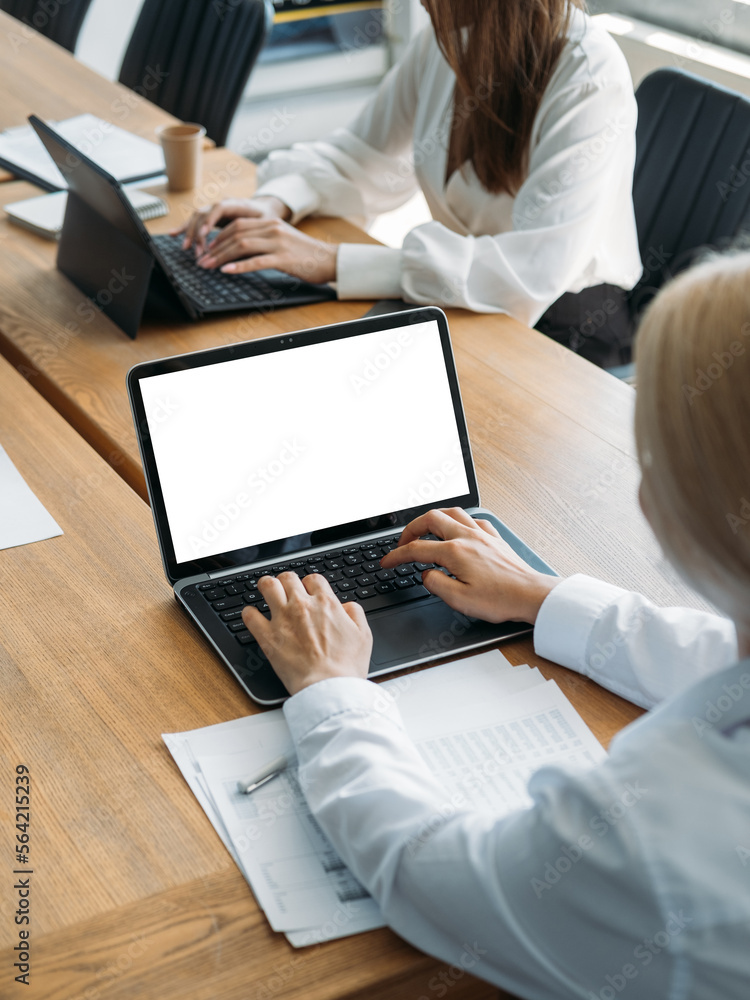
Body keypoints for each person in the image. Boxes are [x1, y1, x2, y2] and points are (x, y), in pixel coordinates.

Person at [240, 250, 750, 999]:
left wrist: (330, 690)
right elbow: (721, 667)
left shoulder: (666, 831)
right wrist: (543, 597)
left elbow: (426, 871)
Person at [177, 0, 643, 367]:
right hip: (457, 306)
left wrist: (331, 261)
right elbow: (360, 155)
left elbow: (530, 272)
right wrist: (277, 202)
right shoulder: (448, 40)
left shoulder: (589, 74)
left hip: (561, 336)